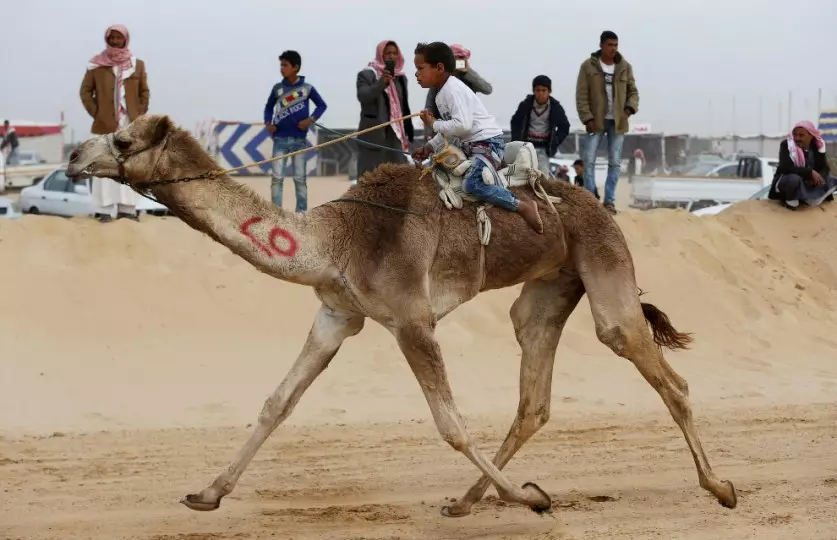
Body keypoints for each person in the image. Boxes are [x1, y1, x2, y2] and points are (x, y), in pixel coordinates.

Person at [411, 41, 543, 234]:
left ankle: (523, 206)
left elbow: (462, 125)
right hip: (470, 145)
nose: (416, 74)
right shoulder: (442, 94)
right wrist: (430, 147)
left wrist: (433, 124)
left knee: (472, 184)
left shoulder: (452, 90)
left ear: (439, 68)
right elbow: (451, 130)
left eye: (420, 68)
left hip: (487, 144)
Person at [79, 24, 149, 222]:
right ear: (107, 39)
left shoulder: (137, 65)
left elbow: (144, 91)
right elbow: (85, 92)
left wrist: (140, 112)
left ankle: (127, 209)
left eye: (119, 38)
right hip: (105, 126)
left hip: (130, 124)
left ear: (125, 39)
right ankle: (104, 210)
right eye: (112, 37)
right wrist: (97, 113)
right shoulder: (96, 65)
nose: (115, 41)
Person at [576, 30, 639, 214]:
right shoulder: (588, 67)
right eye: (610, 45)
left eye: (616, 45)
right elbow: (581, 95)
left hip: (618, 122)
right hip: (596, 121)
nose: (613, 48)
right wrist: (587, 118)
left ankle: (609, 201)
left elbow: (633, 91)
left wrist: (629, 109)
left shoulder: (625, 67)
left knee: (615, 162)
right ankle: (590, 200)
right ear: (601, 45)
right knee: (588, 160)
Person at [263, 50, 327, 212]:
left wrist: (310, 120)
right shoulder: (277, 89)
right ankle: (276, 214)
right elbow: (268, 107)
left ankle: (301, 215)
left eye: (285, 65)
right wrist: (267, 123)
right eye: (281, 65)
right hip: (279, 140)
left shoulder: (307, 89)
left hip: (299, 141)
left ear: (295, 67)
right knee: (277, 178)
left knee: (300, 178)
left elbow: (322, 105)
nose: (282, 68)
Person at [355, 40, 414, 178]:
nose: (392, 56)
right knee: (371, 179)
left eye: (395, 53)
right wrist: (382, 82)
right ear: (380, 55)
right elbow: (364, 96)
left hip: (396, 136)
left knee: (398, 179)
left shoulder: (401, 78)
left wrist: (408, 128)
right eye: (388, 53)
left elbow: (404, 105)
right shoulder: (367, 74)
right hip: (374, 136)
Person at [423, 43, 492, 140]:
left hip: (468, 133)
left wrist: (468, 71)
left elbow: (487, 89)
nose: (458, 61)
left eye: (461, 58)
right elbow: (429, 107)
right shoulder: (439, 79)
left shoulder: (469, 78)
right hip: (443, 132)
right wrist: (428, 133)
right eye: (455, 59)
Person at [510, 75, 570, 177]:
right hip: (527, 146)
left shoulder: (555, 107)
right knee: (522, 175)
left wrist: (555, 142)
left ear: (549, 91)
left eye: (544, 90)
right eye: (537, 90)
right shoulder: (526, 105)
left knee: (542, 177)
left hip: (543, 148)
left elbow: (565, 127)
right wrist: (517, 141)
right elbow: (515, 122)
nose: (540, 93)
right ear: (533, 91)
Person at [768, 120, 837, 210]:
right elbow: (786, 168)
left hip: (809, 183)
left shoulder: (817, 146)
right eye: (795, 135)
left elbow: (824, 167)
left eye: (801, 135)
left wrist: (818, 178)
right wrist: (809, 172)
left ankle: (810, 198)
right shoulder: (787, 145)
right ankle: (791, 201)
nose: (797, 138)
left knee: (832, 180)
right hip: (790, 182)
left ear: (811, 136)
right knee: (793, 180)